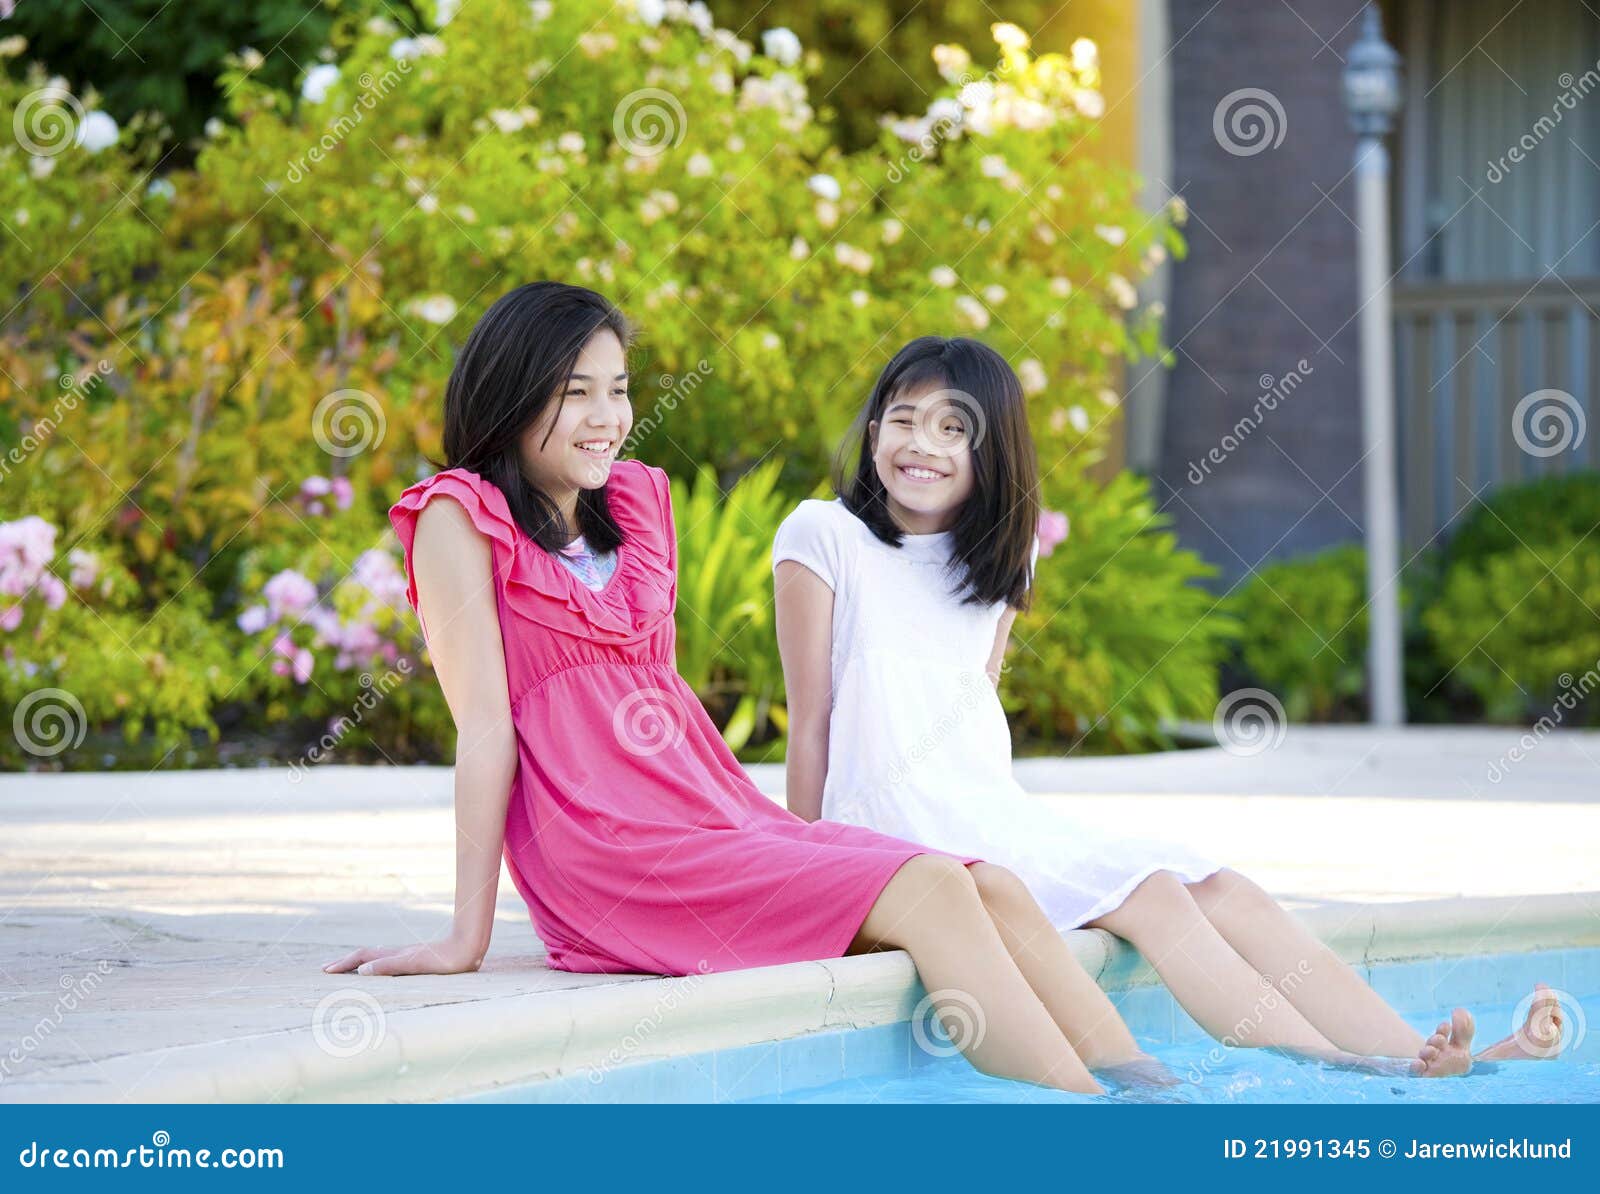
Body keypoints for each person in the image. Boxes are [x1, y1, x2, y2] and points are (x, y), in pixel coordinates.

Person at [321, 282, 1184, 1097]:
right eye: (574, 392)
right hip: (609, 851)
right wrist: (465, 936)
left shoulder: (633, 502)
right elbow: (484, 729)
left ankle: (1155, 1092)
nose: (606, 418)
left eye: (617, 390)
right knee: (932, 889)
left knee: (985, 881)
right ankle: (1089, 1125)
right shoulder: (457, 516)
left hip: (712, 809)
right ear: (510, 396)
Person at [770, 334, 1566, 1078]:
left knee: (1221, 884)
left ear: (992, 453)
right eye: (902, 419)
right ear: (873, 430)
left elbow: (974, 711)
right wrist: (809, 883)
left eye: (953, 428)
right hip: (902, 827)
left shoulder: (998, 568)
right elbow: (811, 723)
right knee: (1152, 892)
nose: (921, 445)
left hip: (990, 812)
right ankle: (1372, 1077)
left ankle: (1423, 1060)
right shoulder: (824, 536)